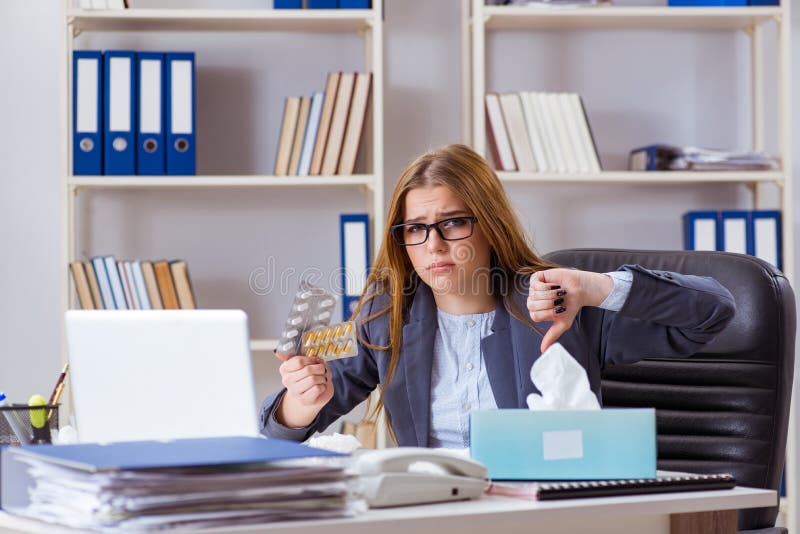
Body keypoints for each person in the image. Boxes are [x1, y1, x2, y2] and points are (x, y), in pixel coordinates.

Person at [260, 144, 735, 448]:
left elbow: (714, 311)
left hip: (538, 513)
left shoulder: (558, 305)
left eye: (452, 222)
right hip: (431, 511)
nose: (434, 245)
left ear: (490, 225)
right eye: (416, 229)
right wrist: (302, 403)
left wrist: (596, 286)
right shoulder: (387, 317)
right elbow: (275, 432)